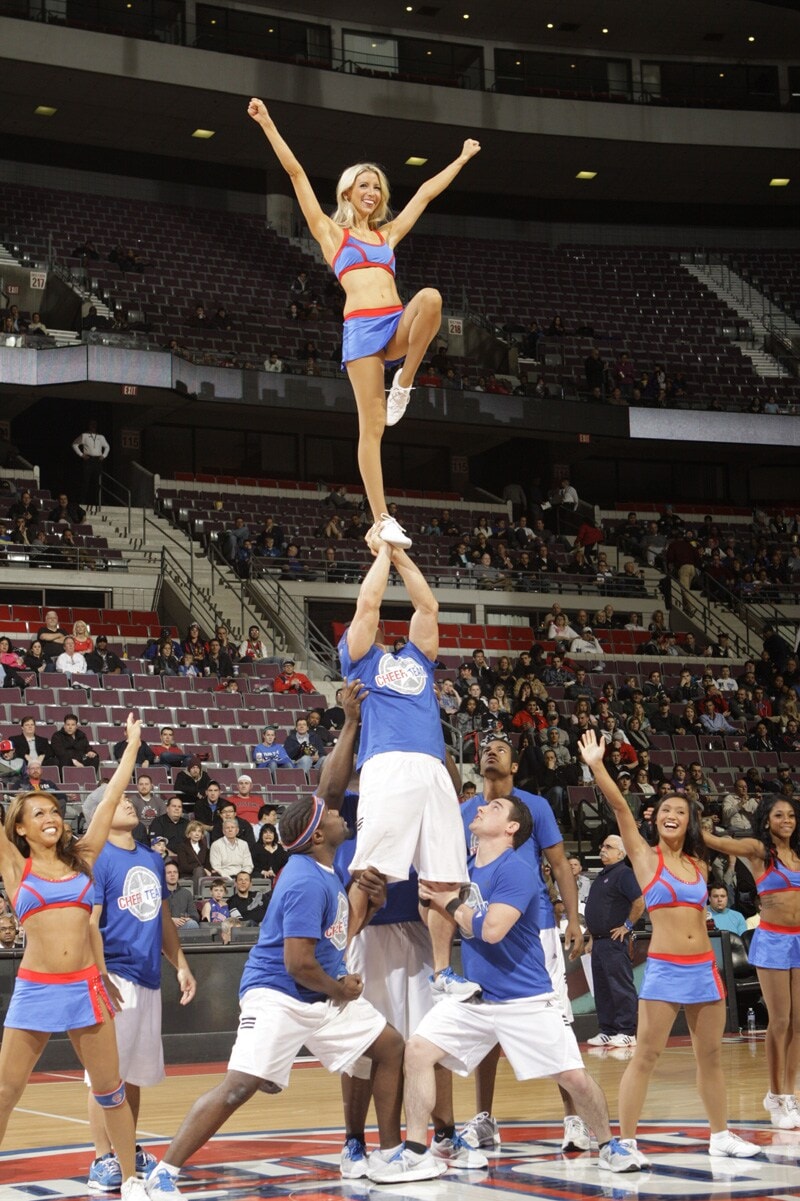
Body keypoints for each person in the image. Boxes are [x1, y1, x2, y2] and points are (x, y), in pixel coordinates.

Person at [143, 795, 405, 1197]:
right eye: (331, 814)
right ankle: (163, 1173)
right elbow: (297, 963)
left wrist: (374, 906)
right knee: (237, 1087)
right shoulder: (303, 880)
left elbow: (340, 933)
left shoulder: (324, 869)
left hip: (316, 993)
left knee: (388, 1046)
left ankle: (388, 1154)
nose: (339, 815)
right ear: (318, 835)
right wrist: (342, 991)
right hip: (278, 994)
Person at [247, 96, 480, 549]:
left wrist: (462, 158)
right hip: (361, 332)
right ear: (348, 191)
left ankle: (406, 382)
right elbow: (296, 174)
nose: (373, 192)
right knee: (370, 428)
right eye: (365, 185)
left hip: (395, 323)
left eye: (378, 187)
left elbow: (426, 193)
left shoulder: (387, 233)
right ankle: (382, 517)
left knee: (431, 297)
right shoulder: (331, 234)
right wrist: (269, 124)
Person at [398, 794, 639, 1181]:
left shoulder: (517, 870)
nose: (479, 808)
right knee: (418, 1050)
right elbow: (434, 909)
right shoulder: (464, 867)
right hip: (475, 995)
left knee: (573, 1077)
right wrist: (435, 901)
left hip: (525, 998)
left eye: (493, 808)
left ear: (511, 828)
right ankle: (417, 1150)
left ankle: (610, 1144)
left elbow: (492, 930)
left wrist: (448, 903)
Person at [578, 728, 760, 1166]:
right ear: (655, 819)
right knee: (645, 1056)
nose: (672, 814)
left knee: (711, 1058)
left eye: (680, 810)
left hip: (704, 968)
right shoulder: (643, 855)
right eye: (665, 810)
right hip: (664, 967)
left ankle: (720, 1135)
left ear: (689, 820)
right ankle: (626, 1142)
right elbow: (621, 806)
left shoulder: (697, 863)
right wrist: (597, 765)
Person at [0, 714, 149, 1201]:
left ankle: (131, 1181)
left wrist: (132, 746)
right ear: (20, 828)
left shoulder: (84, 855)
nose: (50, 818)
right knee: (5, 1092)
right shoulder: (15, 865)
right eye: (37, 814)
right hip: (35, 990)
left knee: (111, 1092)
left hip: (86, 985)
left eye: (53, 811)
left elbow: (110, 799)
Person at [338, 537, 472, 997]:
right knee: (372, 870)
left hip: (432, 767)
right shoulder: (357, 658)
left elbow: (428, 606)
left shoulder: (419, 659)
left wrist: (399, 552)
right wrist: (380, 553)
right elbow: (369, 601)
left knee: (443, 877)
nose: (373, 628)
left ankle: (441, 973)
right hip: (387, 763)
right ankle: (334, 959)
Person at [458, 736, 586, 1154]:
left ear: (515, 766)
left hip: (534, 930)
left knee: (557, 1020)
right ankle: (483, 1119)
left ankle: (575, 1119)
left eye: (502, 749)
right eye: (486, 749)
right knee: (485, 1025)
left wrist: (572, 917)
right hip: (483, 929)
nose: (491, 752)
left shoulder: (535, 806)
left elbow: (559, 862)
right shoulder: (466, 814)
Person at [84, 784, 196, 1192]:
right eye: (119, 800)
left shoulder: (150, 857)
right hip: (113, 974)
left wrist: (180, 964)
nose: (129, 801)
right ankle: (102, 1158)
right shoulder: (96, 858)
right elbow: (88, 924)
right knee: (105, 1075)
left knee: (130, 1076)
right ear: (100, 813)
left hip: (148, 976)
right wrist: (97, 975)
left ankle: (125, 1150)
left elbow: (163, 920)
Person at [701, 796, 800, 1129]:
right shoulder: (760, 851)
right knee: (781, 1020)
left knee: (799, 1024)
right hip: (773, 941)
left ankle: (787, 1094)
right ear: (767, 820)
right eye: (778, 815)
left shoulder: (797, 855)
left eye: (791, 815)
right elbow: (718, 841)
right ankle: (775, 1094)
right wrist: (693, 823)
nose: (786, 820)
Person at [584, 835, 644, 1048]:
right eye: (602, 845)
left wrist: (627, 926)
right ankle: (607, 1030)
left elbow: (639, 901)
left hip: (614, 940)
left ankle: (627, 1031)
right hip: (599, 941)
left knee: (620, 986)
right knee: (602, 988)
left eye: (608, 846)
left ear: (621, 853)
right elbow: (597, 909)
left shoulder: (624, 874)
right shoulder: (602, 876)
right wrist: (591, 937)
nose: (602, 849)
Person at [72, 421, 110, 505]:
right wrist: (81, 455)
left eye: (94, 425)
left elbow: (107, 447)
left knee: (98, 482)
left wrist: (103, 455)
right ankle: (82, 500)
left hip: (97, 461)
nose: (93, 426)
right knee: (86, 481)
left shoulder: (101, 437)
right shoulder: (84, 435)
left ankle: (99, 501)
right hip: (88, 460)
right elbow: (74, 444)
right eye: (91, 425)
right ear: (89, 426)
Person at [163, 862, 200, 932]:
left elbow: (195, 915)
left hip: (182, 926)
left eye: (175, 872)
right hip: (164, 926)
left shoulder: (186, 893)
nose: (172, 875)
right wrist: (170, 920)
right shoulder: (158, 894)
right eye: (169, 873)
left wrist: (188, 918)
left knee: (192, 924)